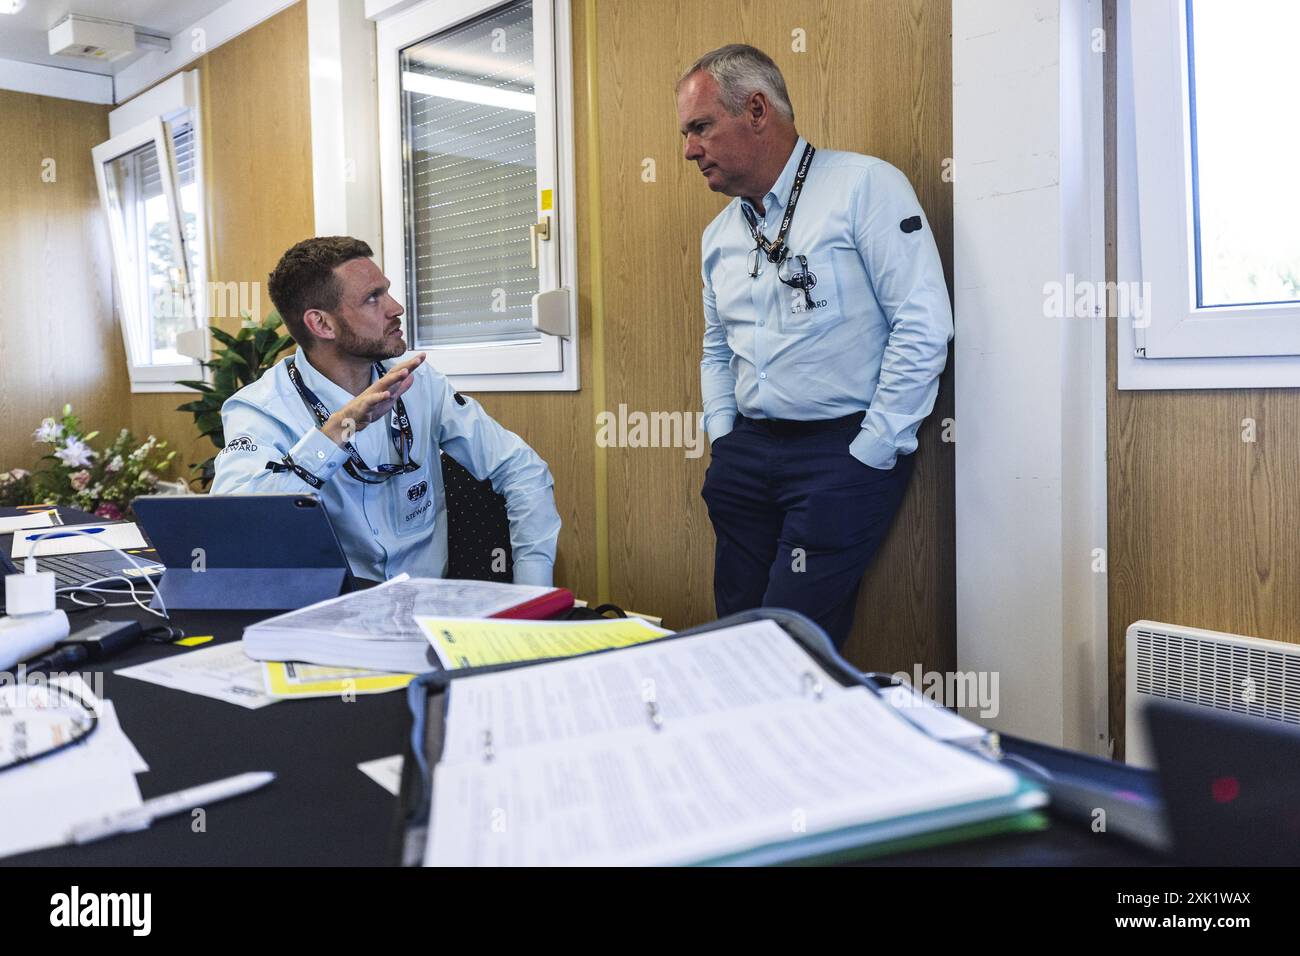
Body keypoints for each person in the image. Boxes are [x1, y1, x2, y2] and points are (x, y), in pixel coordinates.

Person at [677, 44, 953, 647]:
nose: (689, 150)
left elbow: (923, 322)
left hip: (837, 455)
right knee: (733, 634)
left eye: (700, 128)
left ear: (756, 110)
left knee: (789, 646)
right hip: (747, 457)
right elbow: (716, 347)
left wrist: (874, 447)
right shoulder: (720, 235)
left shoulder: (864, 187)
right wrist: (724, 435)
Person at [211, 236, 561, 586]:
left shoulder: (419, 383)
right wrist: (334, 434)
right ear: (322, 325)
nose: (396, 307)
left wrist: (532, 593)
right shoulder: (260, 408)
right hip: (328, 616)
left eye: (386, 291)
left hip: (427, 609)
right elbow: (234, 524)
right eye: (372, 298)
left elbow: (522, 470)